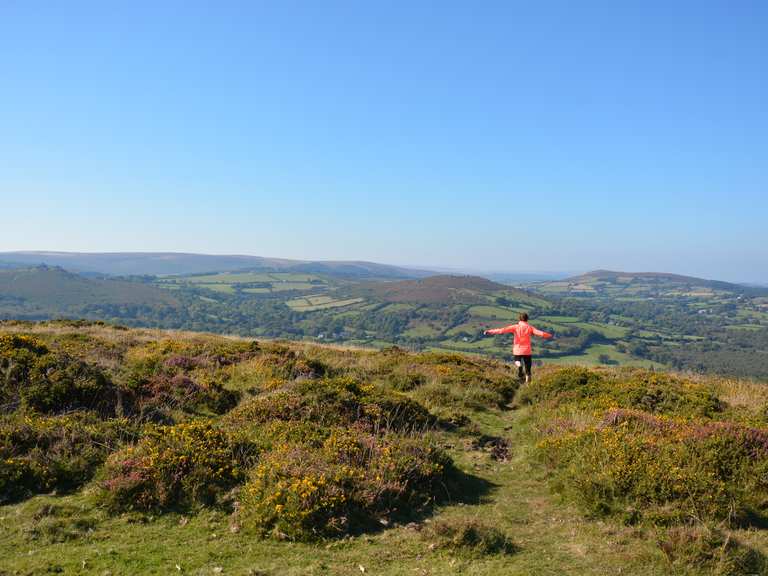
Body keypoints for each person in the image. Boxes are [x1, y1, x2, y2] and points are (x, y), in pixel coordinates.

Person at [483, 312, 552, 383]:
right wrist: (549, 335)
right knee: (528, 368)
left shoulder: (515, 327)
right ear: (527, 319)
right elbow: (540, 333)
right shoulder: (530, 328)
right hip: (527, 350)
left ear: (519, 319)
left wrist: (489, 331)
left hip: (517, 349)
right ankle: (527, 385)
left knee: (517, 360)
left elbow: (502, 330)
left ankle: (519, 366)